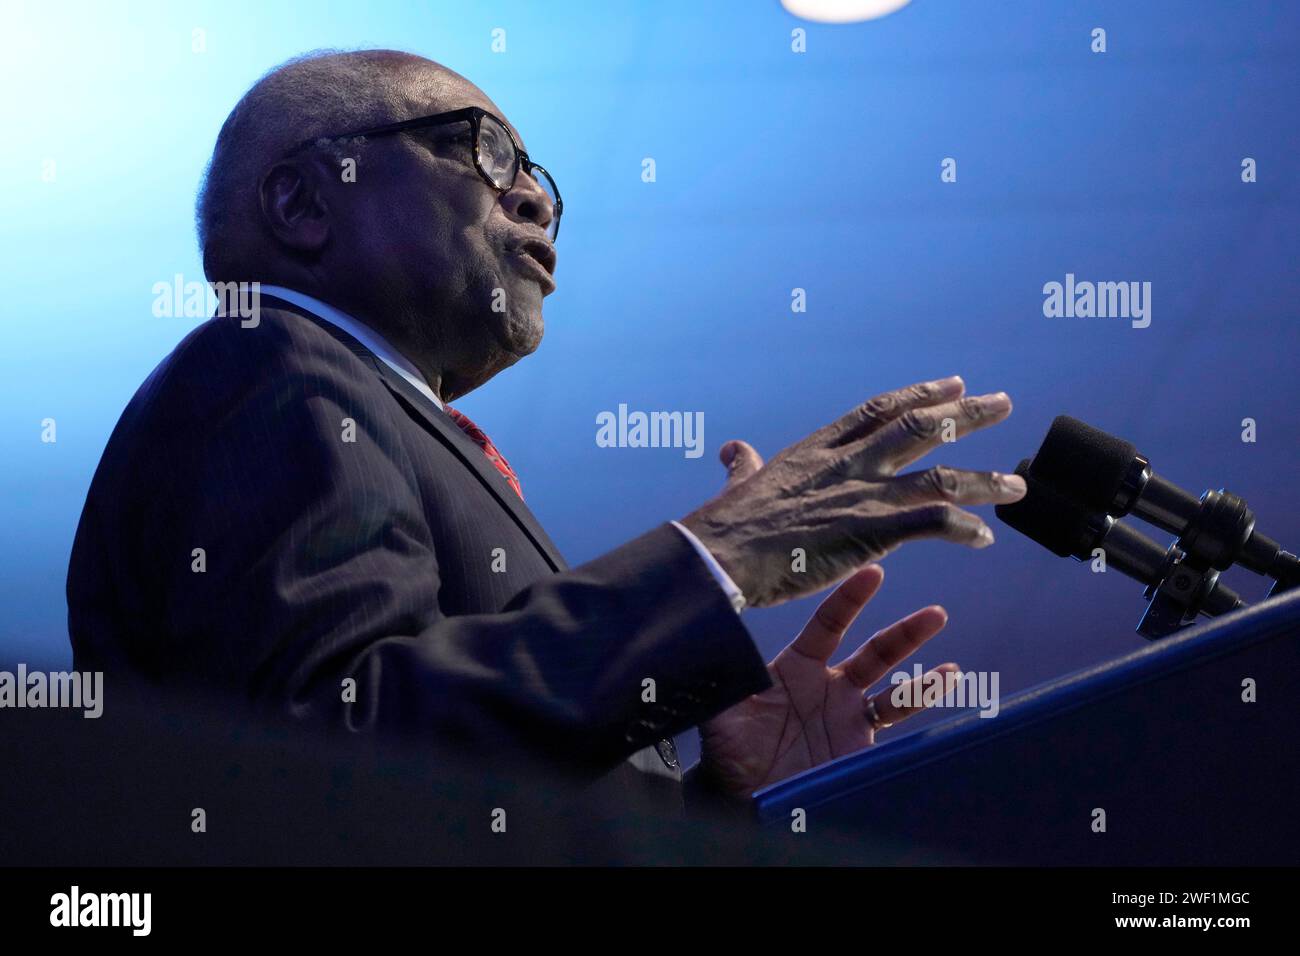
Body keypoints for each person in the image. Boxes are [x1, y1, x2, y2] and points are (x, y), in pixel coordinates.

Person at [67, 49, 1026, 816]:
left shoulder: (383, 414)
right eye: (484, 150)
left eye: (539, 177)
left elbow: (456, 797)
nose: (532, 198)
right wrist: (713, 560)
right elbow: (333, 751)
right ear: (304, 203)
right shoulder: (265, 363)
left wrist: (714, 802)